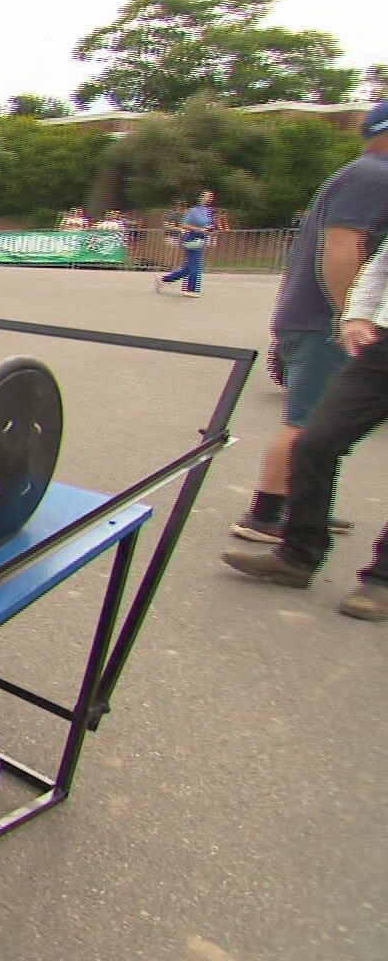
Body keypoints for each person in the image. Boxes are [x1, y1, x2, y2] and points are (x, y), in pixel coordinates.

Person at [231, 101, 388, 544]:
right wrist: (349, 314)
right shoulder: (375, 175)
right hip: (326, 318)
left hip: (318, 315)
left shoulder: (364, 173)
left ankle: (303, 507)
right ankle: (266, 514)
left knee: (322, 420)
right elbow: (341, 247)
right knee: (310, 419)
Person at [221, 239, 388, 620]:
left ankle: (382, 580)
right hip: (383, 344)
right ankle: (298, 555)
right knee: (314, 441)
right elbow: (381, 265)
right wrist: (357, 315)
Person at [155, 190, 215, 295]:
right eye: (206, 196)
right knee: (195, 265)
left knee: (189, 267)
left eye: (210, 197)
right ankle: (190, 289)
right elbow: (184, 224)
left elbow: (209, 224)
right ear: (200, 198)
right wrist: (200, 230)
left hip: (201, 239)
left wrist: (211, 229)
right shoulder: (193, 211)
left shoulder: (208, 211)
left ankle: (164, 279)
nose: (209, 198)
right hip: (191, 238)